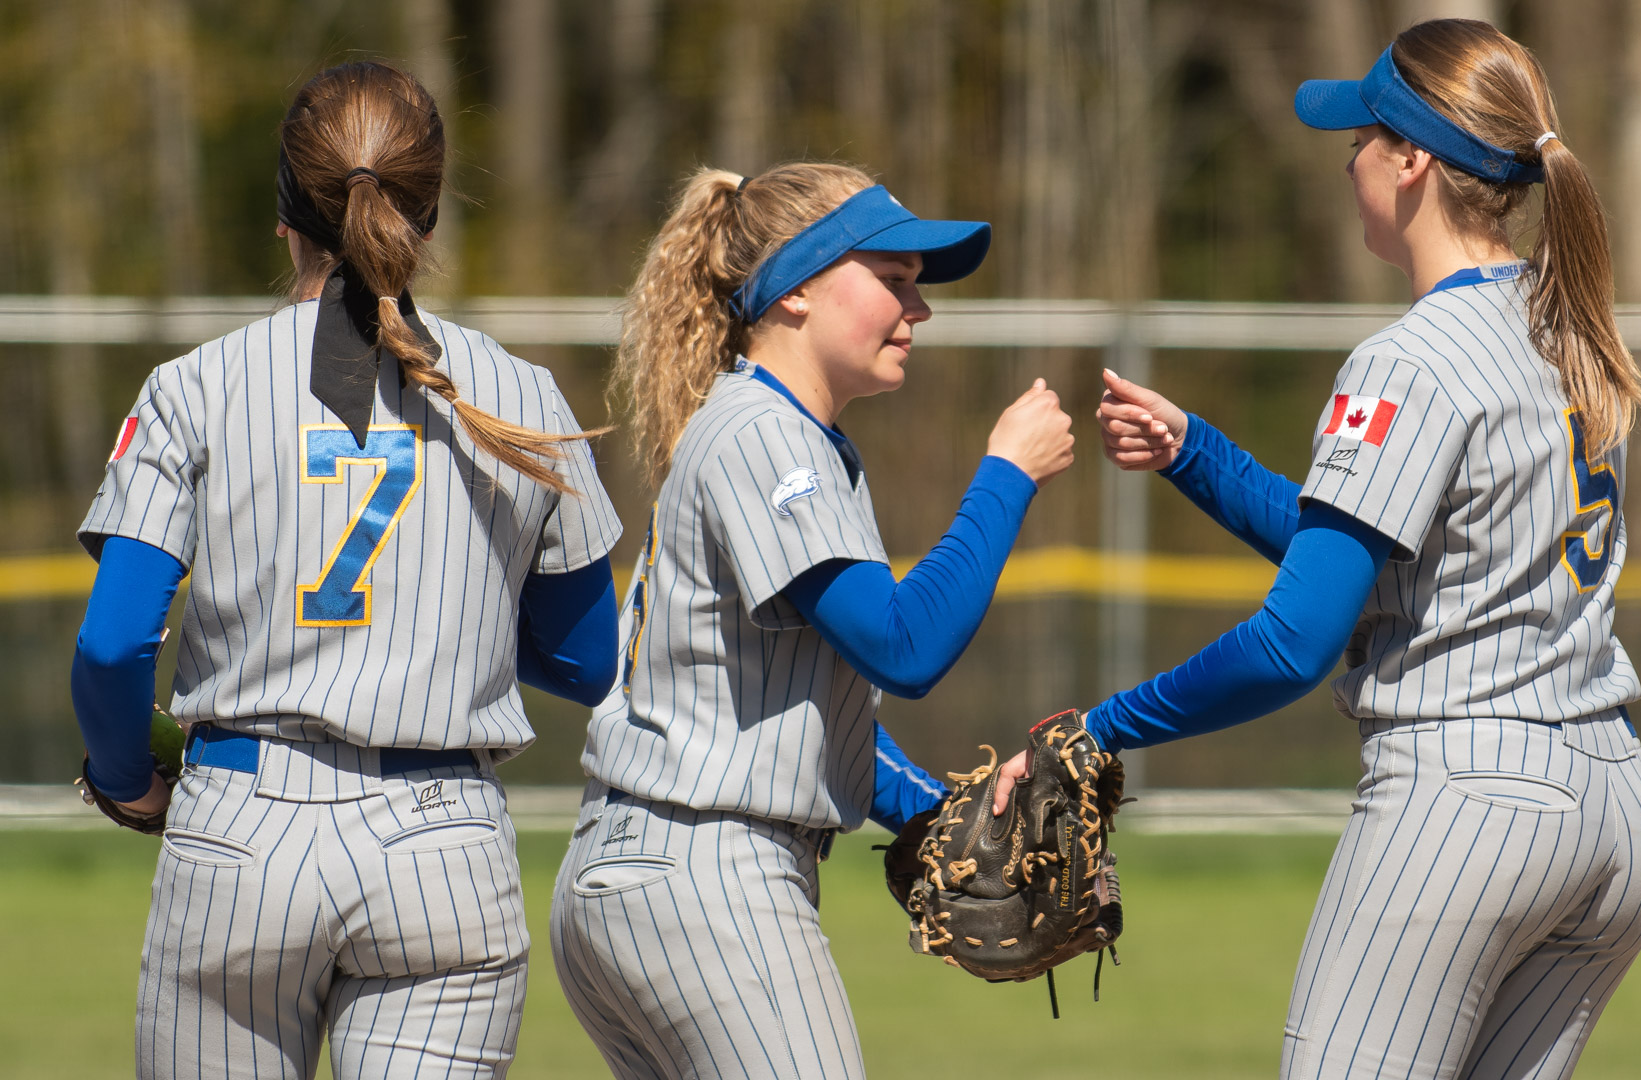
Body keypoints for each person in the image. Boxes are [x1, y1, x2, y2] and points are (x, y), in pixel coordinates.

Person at [997, 18, 1641, 1079]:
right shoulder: (1568, 332)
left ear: (1411, 164)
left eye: (1359, 139)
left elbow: (1294, 641)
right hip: (1615, 810)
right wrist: (1196, 454)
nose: (1347, 161)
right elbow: (1370, 557)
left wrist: (1100, 728)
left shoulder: (1410, 358)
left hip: (1468, 803)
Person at [68, 61, 622, 1079]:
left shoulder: (195, 385)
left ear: (286, 212)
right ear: (429, 211)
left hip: (241, 823)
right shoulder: (521, 393)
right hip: (442, 840)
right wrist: (437, 626)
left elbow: (112, 645)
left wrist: (127, 781)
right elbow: (589, 664)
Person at [548, 162, 1074, 1080]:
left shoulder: (778, 433)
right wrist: (1006, 475)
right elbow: (904, 645)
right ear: (795, 291)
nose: (919, 310)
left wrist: (938, 815)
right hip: (708, 882)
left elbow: (802, 709)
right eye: (894, 280)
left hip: (654, 869)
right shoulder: (766, 434)